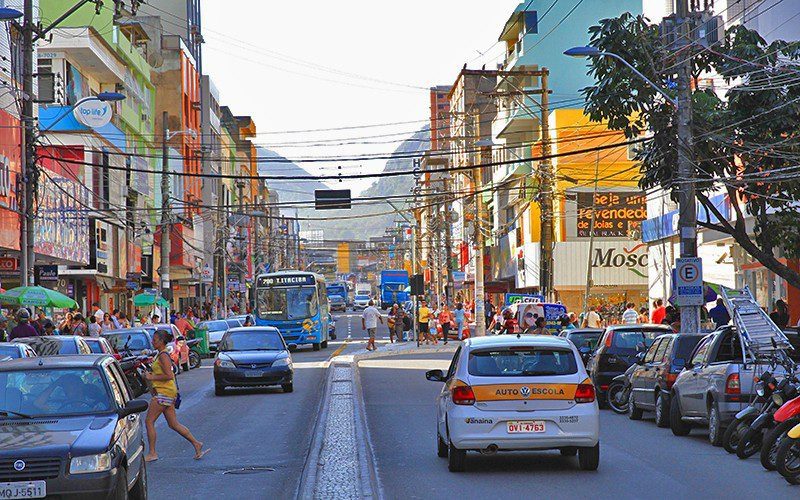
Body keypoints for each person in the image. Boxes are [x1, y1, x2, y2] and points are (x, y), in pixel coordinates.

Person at [144, 329, 208, 462]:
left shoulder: (163, 356)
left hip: (164, 392)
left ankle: (152, 452)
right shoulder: (161, 354)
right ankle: (196, 443)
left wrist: (151, 376)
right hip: (167, 392)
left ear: (161, 341)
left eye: (155, 340)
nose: (152, 342)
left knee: (149, 421)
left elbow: (169, 375)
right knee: (173, 424)